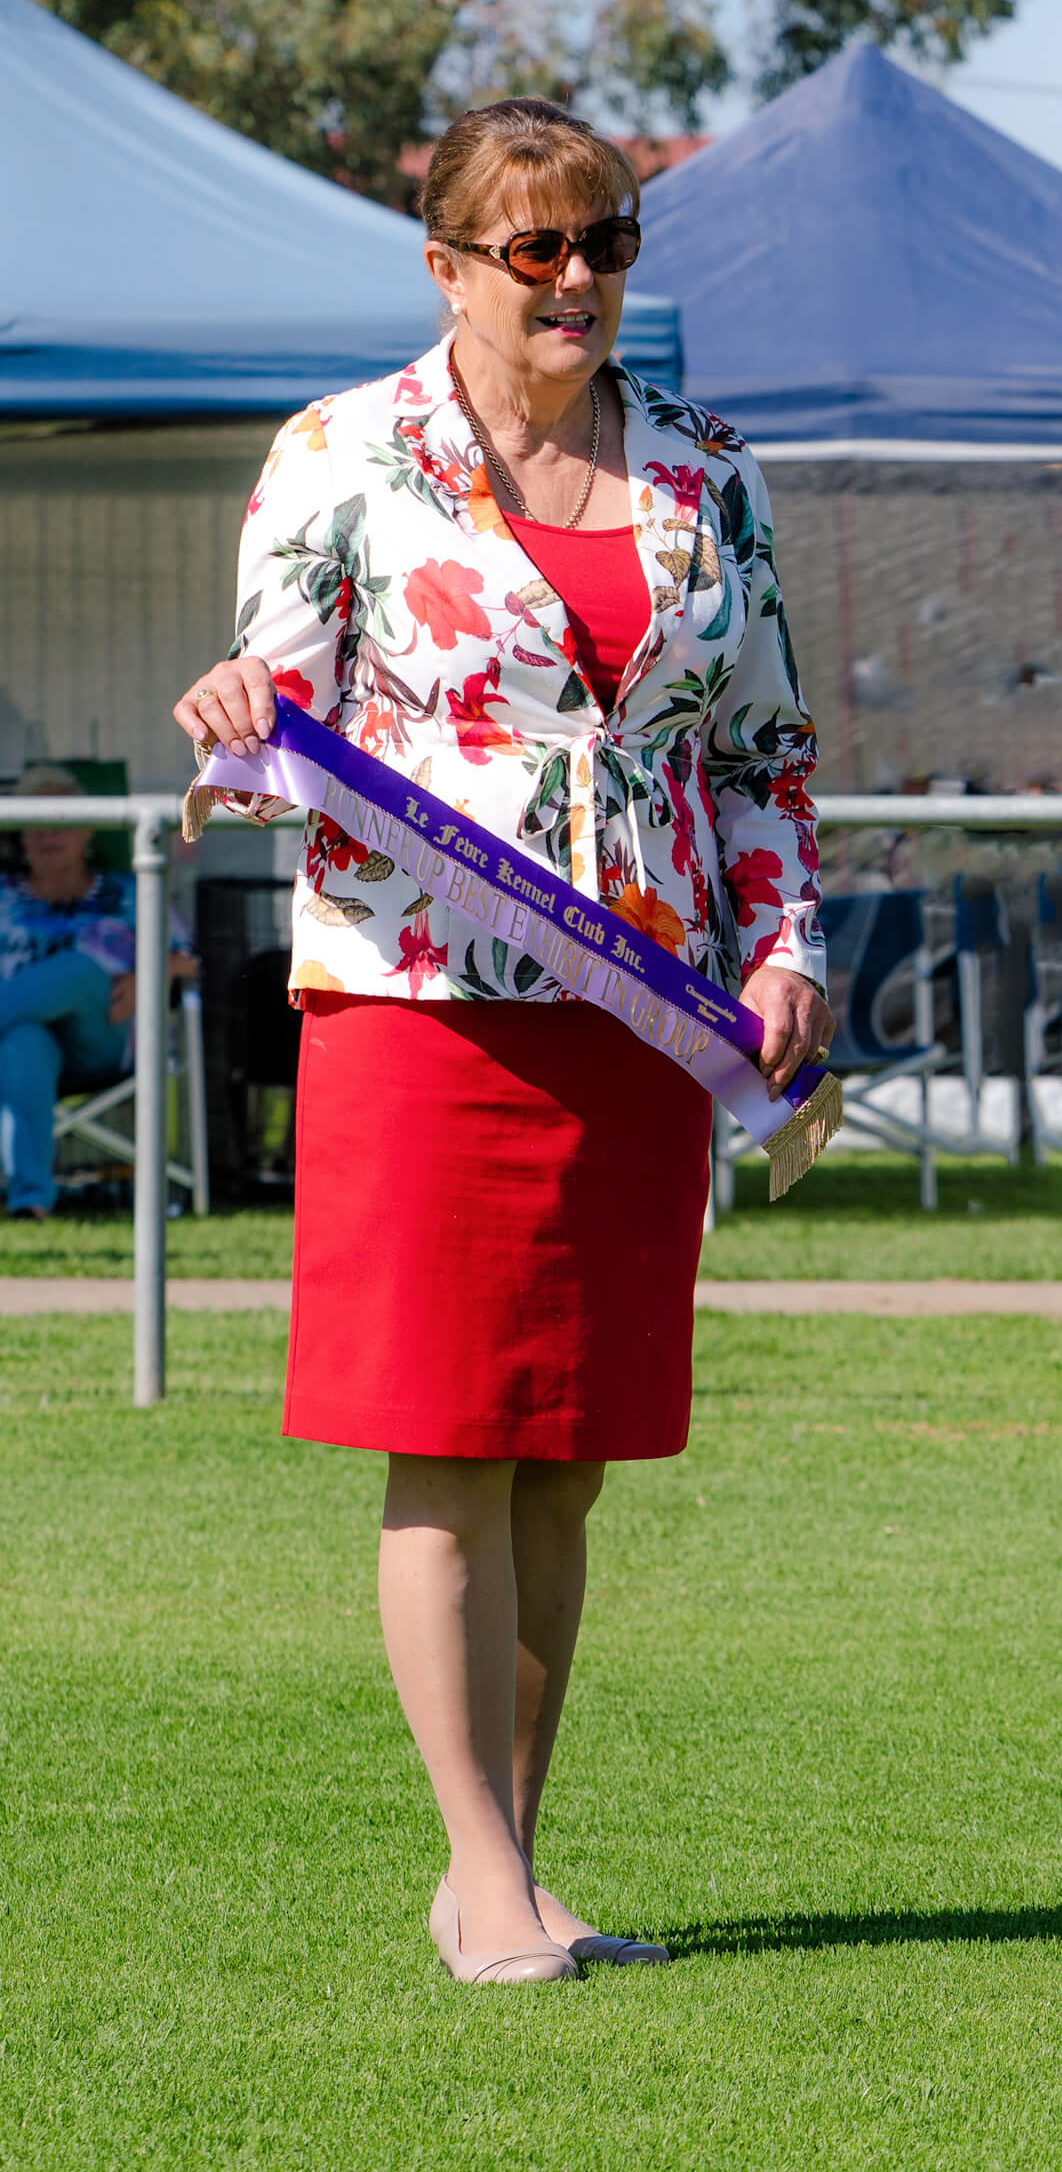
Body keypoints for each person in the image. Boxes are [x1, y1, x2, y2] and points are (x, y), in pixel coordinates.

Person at [172, 99, 832, 1987]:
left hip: (644, 1025)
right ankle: (476, 1868)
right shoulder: (340, 455)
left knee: (568, 1457)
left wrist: (784, 942)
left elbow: (764, 751)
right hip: (419, 1008)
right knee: (447, 1446)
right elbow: (269, 715)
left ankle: (511, 1874)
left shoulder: (714, 475)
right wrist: (231, 719)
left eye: (606, 242)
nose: (576, 281)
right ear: (448, 263)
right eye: (533, 249)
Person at [0, 765, 196, 1216]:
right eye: (36, 823)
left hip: (106, 1033)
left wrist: (153, 972)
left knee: (78, 971)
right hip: (24, 1045)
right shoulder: (5, 897)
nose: (49, 835)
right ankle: (29, 1203)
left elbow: (192, 959)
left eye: (62, 820)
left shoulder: (131, 890)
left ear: (88, 828)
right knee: (24, 1042)